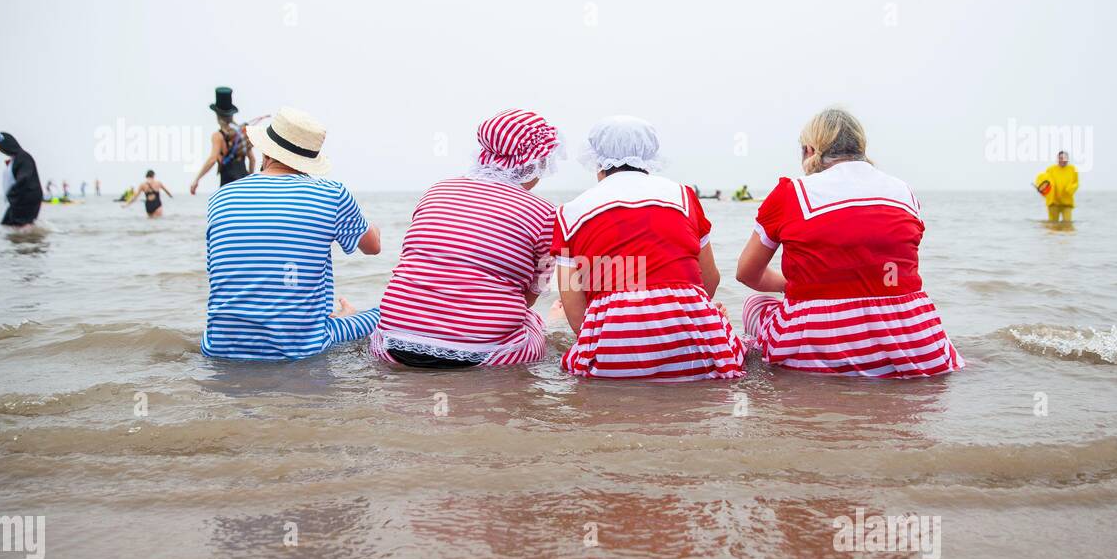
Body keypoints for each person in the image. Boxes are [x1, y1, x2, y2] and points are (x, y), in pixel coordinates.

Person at [737, 107, 962, 377]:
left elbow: (746, 273)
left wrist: (790, 286)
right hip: (919, 346)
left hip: (817, 347)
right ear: (861, 147)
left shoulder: (791, 193)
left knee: (754, 305)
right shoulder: (903, 191)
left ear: (810, 150)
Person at [552, 115, 744, 380]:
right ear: (649, 155)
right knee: (731, 337)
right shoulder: (684, 196)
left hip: (615, 349)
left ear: (597, 159)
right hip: (691, 341)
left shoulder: (568, 213)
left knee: (569, 366)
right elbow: (710, 280)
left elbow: (575, 311)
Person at [372, 109, 561, 368]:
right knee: (535, 323)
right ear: (535, 161)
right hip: (486, 354)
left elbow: (413, 258)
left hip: (392, 342)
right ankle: (552, 321)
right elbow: (534, 290)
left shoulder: (438, 190)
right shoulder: (543, 212)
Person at [201, 106, 381, 360]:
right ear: (310, 162)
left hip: (218, 348)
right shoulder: (332, 194)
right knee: (384, 314)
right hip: (298, 351)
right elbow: (373, 247)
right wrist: (368, 224)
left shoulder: (220, 197)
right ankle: (342, 319)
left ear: (266, 151)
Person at [190, 87, 257, 194]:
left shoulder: (218, 136)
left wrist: (196, 180)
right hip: (244, 183)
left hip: (228, 184)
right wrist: (249, 178)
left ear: (217, 114)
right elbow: (252, 159)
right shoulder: (241, 132)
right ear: (232, 114)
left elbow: (212, 159)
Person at [0, 132, 42, 227]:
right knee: (6, 226)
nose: (0, 151)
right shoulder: (15, 159)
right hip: (16, 201)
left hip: (24, 200)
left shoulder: (23, 157)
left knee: (20, 230)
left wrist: (12, 193)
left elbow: (24, 177)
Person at [1035, 150, 1079, 222]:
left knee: (1068, 224)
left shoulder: (1073, 169)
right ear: (1057, 159)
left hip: (1067, 203)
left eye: (1065, 158)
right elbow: (1043, 181)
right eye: (1061, 158)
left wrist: (1071, 189)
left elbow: (1076, 183)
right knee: (1053, 225)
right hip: (1053, 202)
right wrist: (1041, 188)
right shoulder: (1051, 169)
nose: (1062, 160)